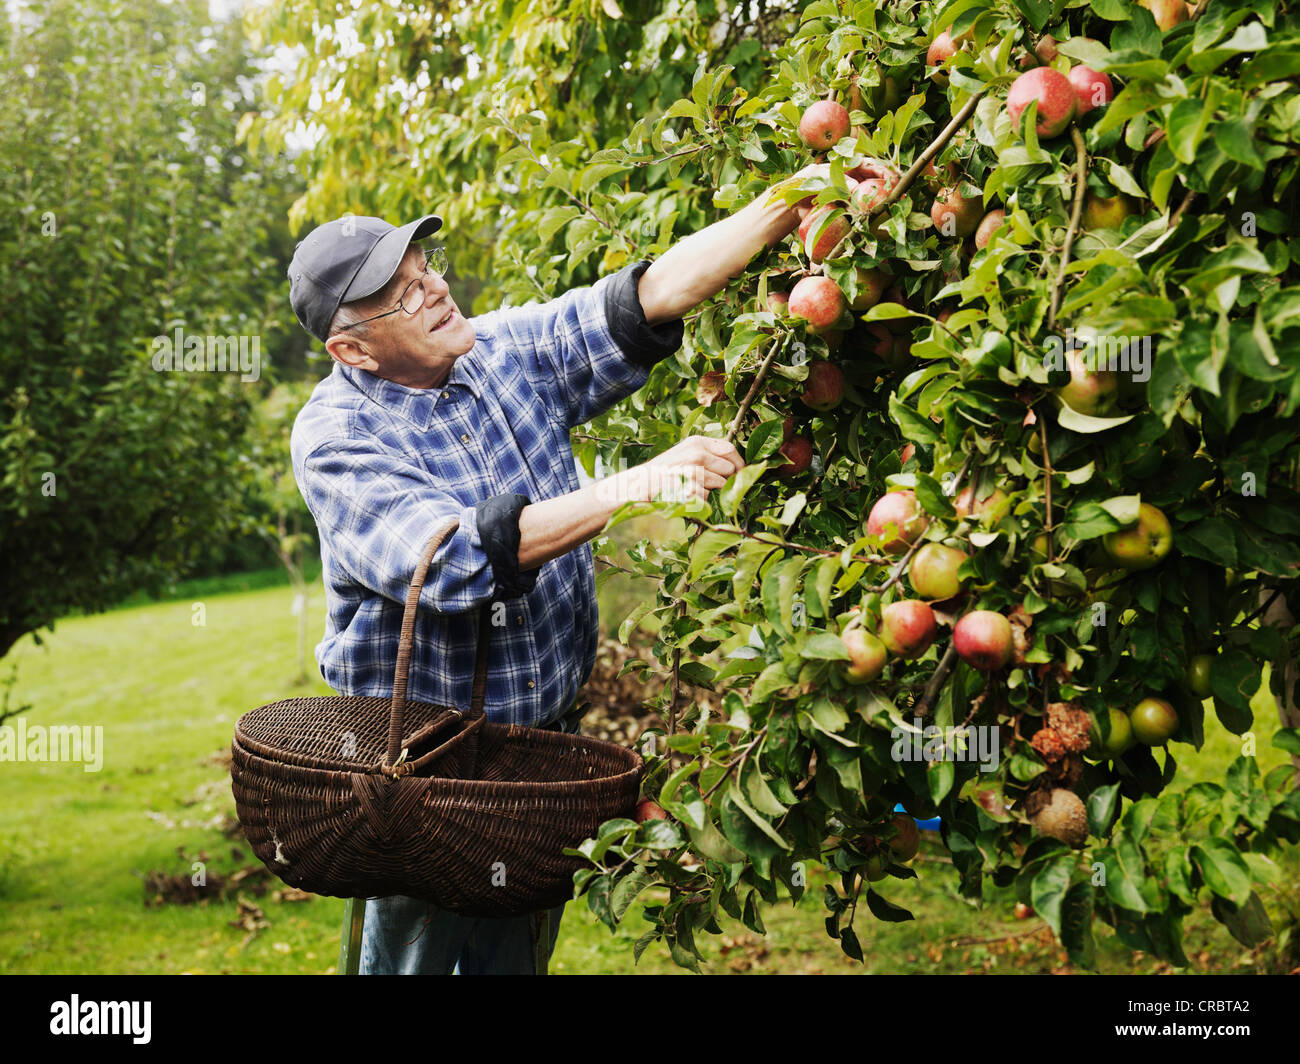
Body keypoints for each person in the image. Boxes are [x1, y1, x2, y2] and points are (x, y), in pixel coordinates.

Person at [285, 167, 824, 974]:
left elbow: (642, 299)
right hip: (419, 777)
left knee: (516, 959)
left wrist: (796, 198)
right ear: (351, 349)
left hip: (539, 763)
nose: (432, 290)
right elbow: (449, 558)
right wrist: (635, 483)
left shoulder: (497, 353)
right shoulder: (335, 438)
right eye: (400, 296)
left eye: (424, 268)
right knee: (414, 960)